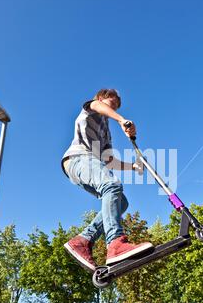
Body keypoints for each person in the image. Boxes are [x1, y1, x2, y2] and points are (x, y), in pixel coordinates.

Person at [62, 88, 153, 271]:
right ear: (103, 98)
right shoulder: (92, 107)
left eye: (118, 107)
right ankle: (115, 243)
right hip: (78, 159)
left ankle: (83, 240)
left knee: (121, 202)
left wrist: (133, 167)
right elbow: (98, 106)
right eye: (113, 103)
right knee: (112, 186)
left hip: (89, 163)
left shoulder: (106, 133)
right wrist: (121, 120)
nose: (116, 108)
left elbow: (109, 160)